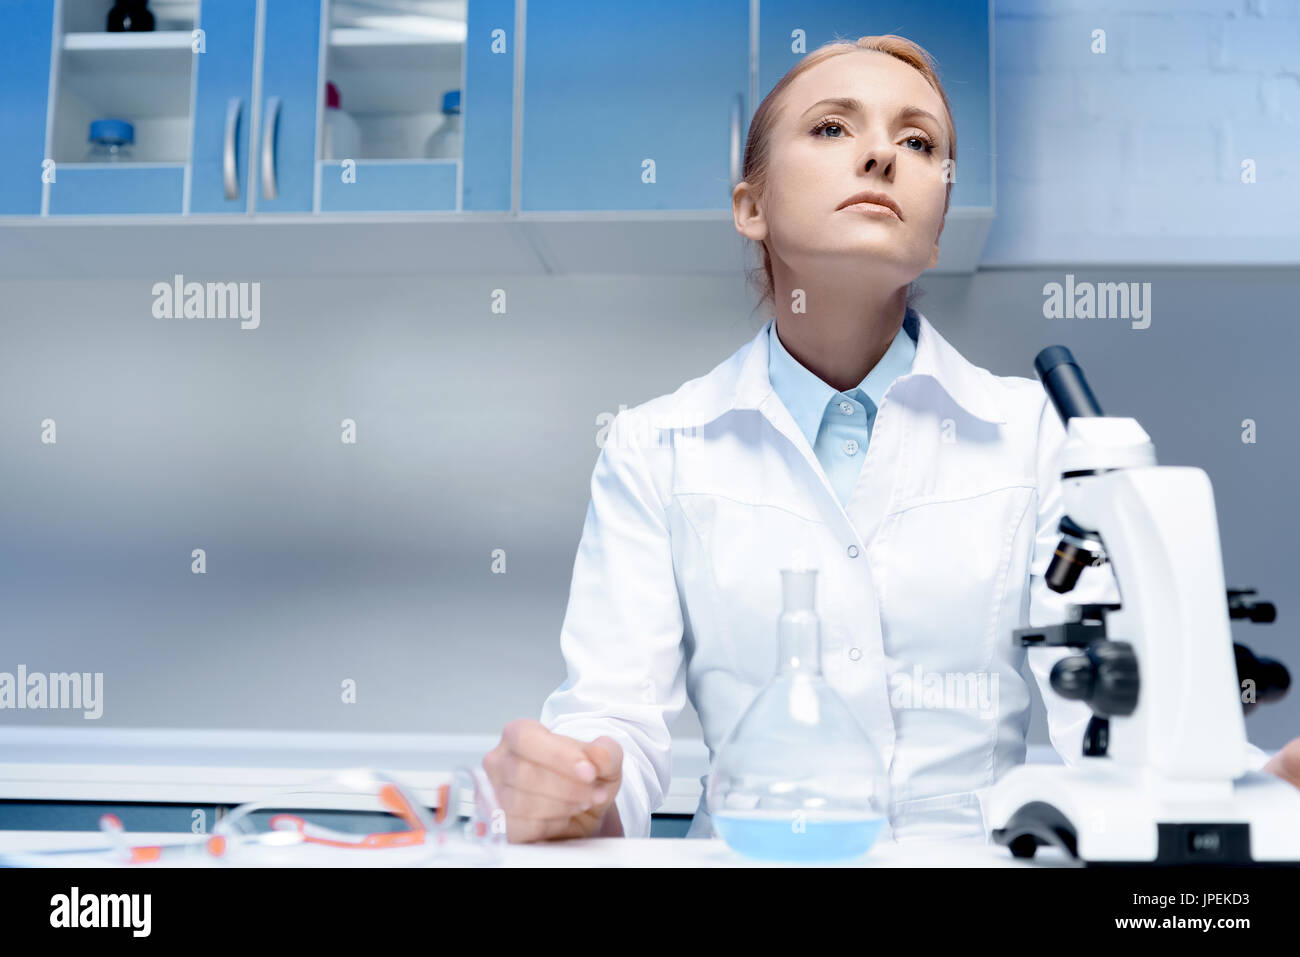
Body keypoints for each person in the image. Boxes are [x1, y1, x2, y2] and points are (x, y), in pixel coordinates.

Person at [483, 34, 1300, 843]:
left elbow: (1114, 710)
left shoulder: (1042, 439)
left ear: (936, 228)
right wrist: (577, 789)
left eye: (919, 142)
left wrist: (1240, 792)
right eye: (833, 128)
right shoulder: (654, 445)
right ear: (751, 207)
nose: (882, 155)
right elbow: (614, 723)